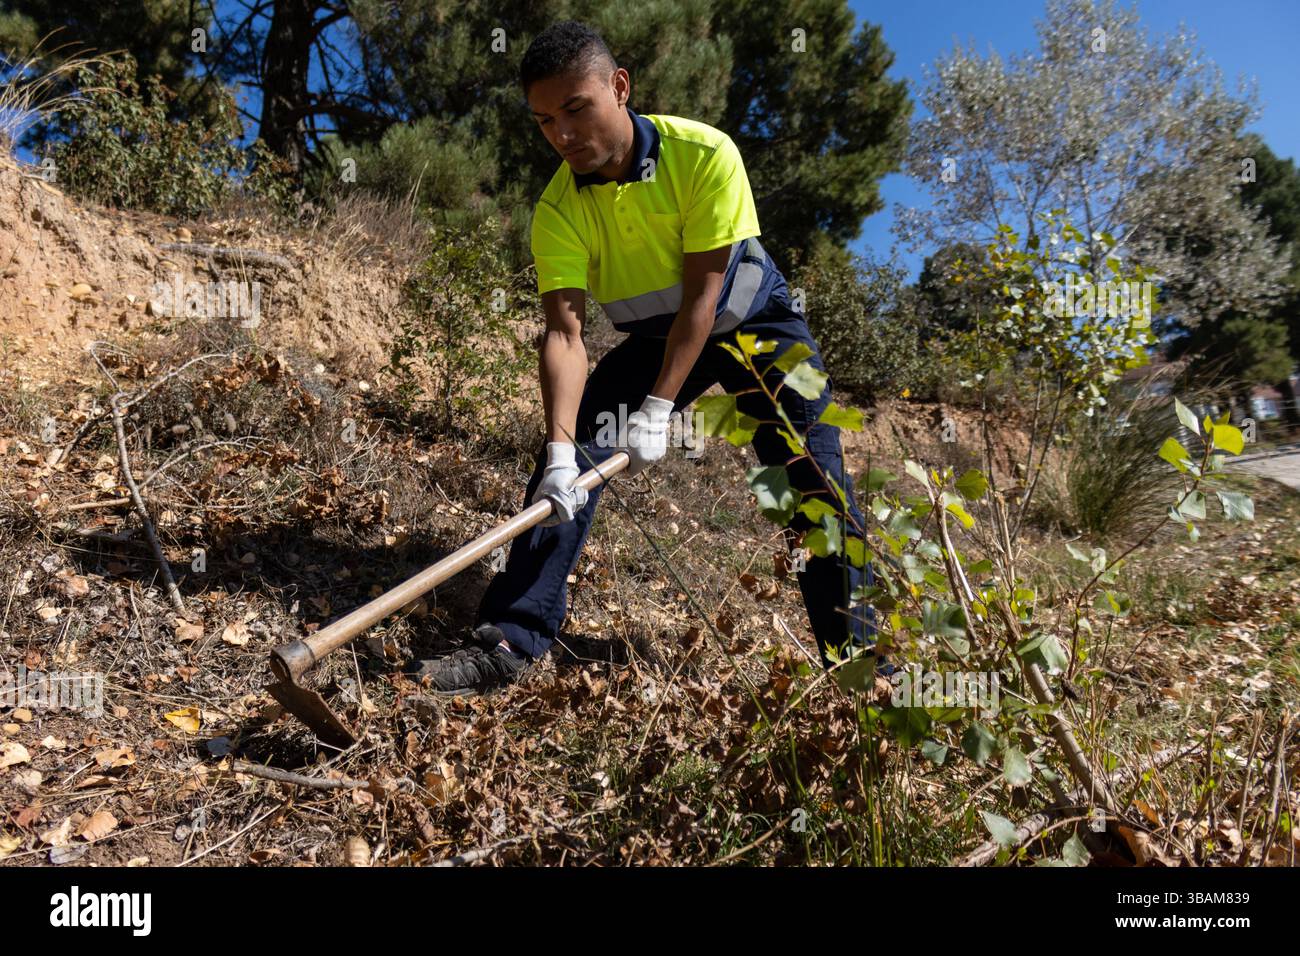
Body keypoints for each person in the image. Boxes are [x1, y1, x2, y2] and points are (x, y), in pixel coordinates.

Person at [414, 20, 878, 695]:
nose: (563, 135)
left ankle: (866, 678)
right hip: (658, 336)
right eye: (545, 121)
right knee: (575, 457)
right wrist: (559, 454)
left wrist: (661, 408)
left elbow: (704, 300)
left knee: (814, 481)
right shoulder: (558, 210)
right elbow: (566, 337)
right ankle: (512, 637)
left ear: (620, 87)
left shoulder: (704, 154)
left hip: (754, 325)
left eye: (577, 108)